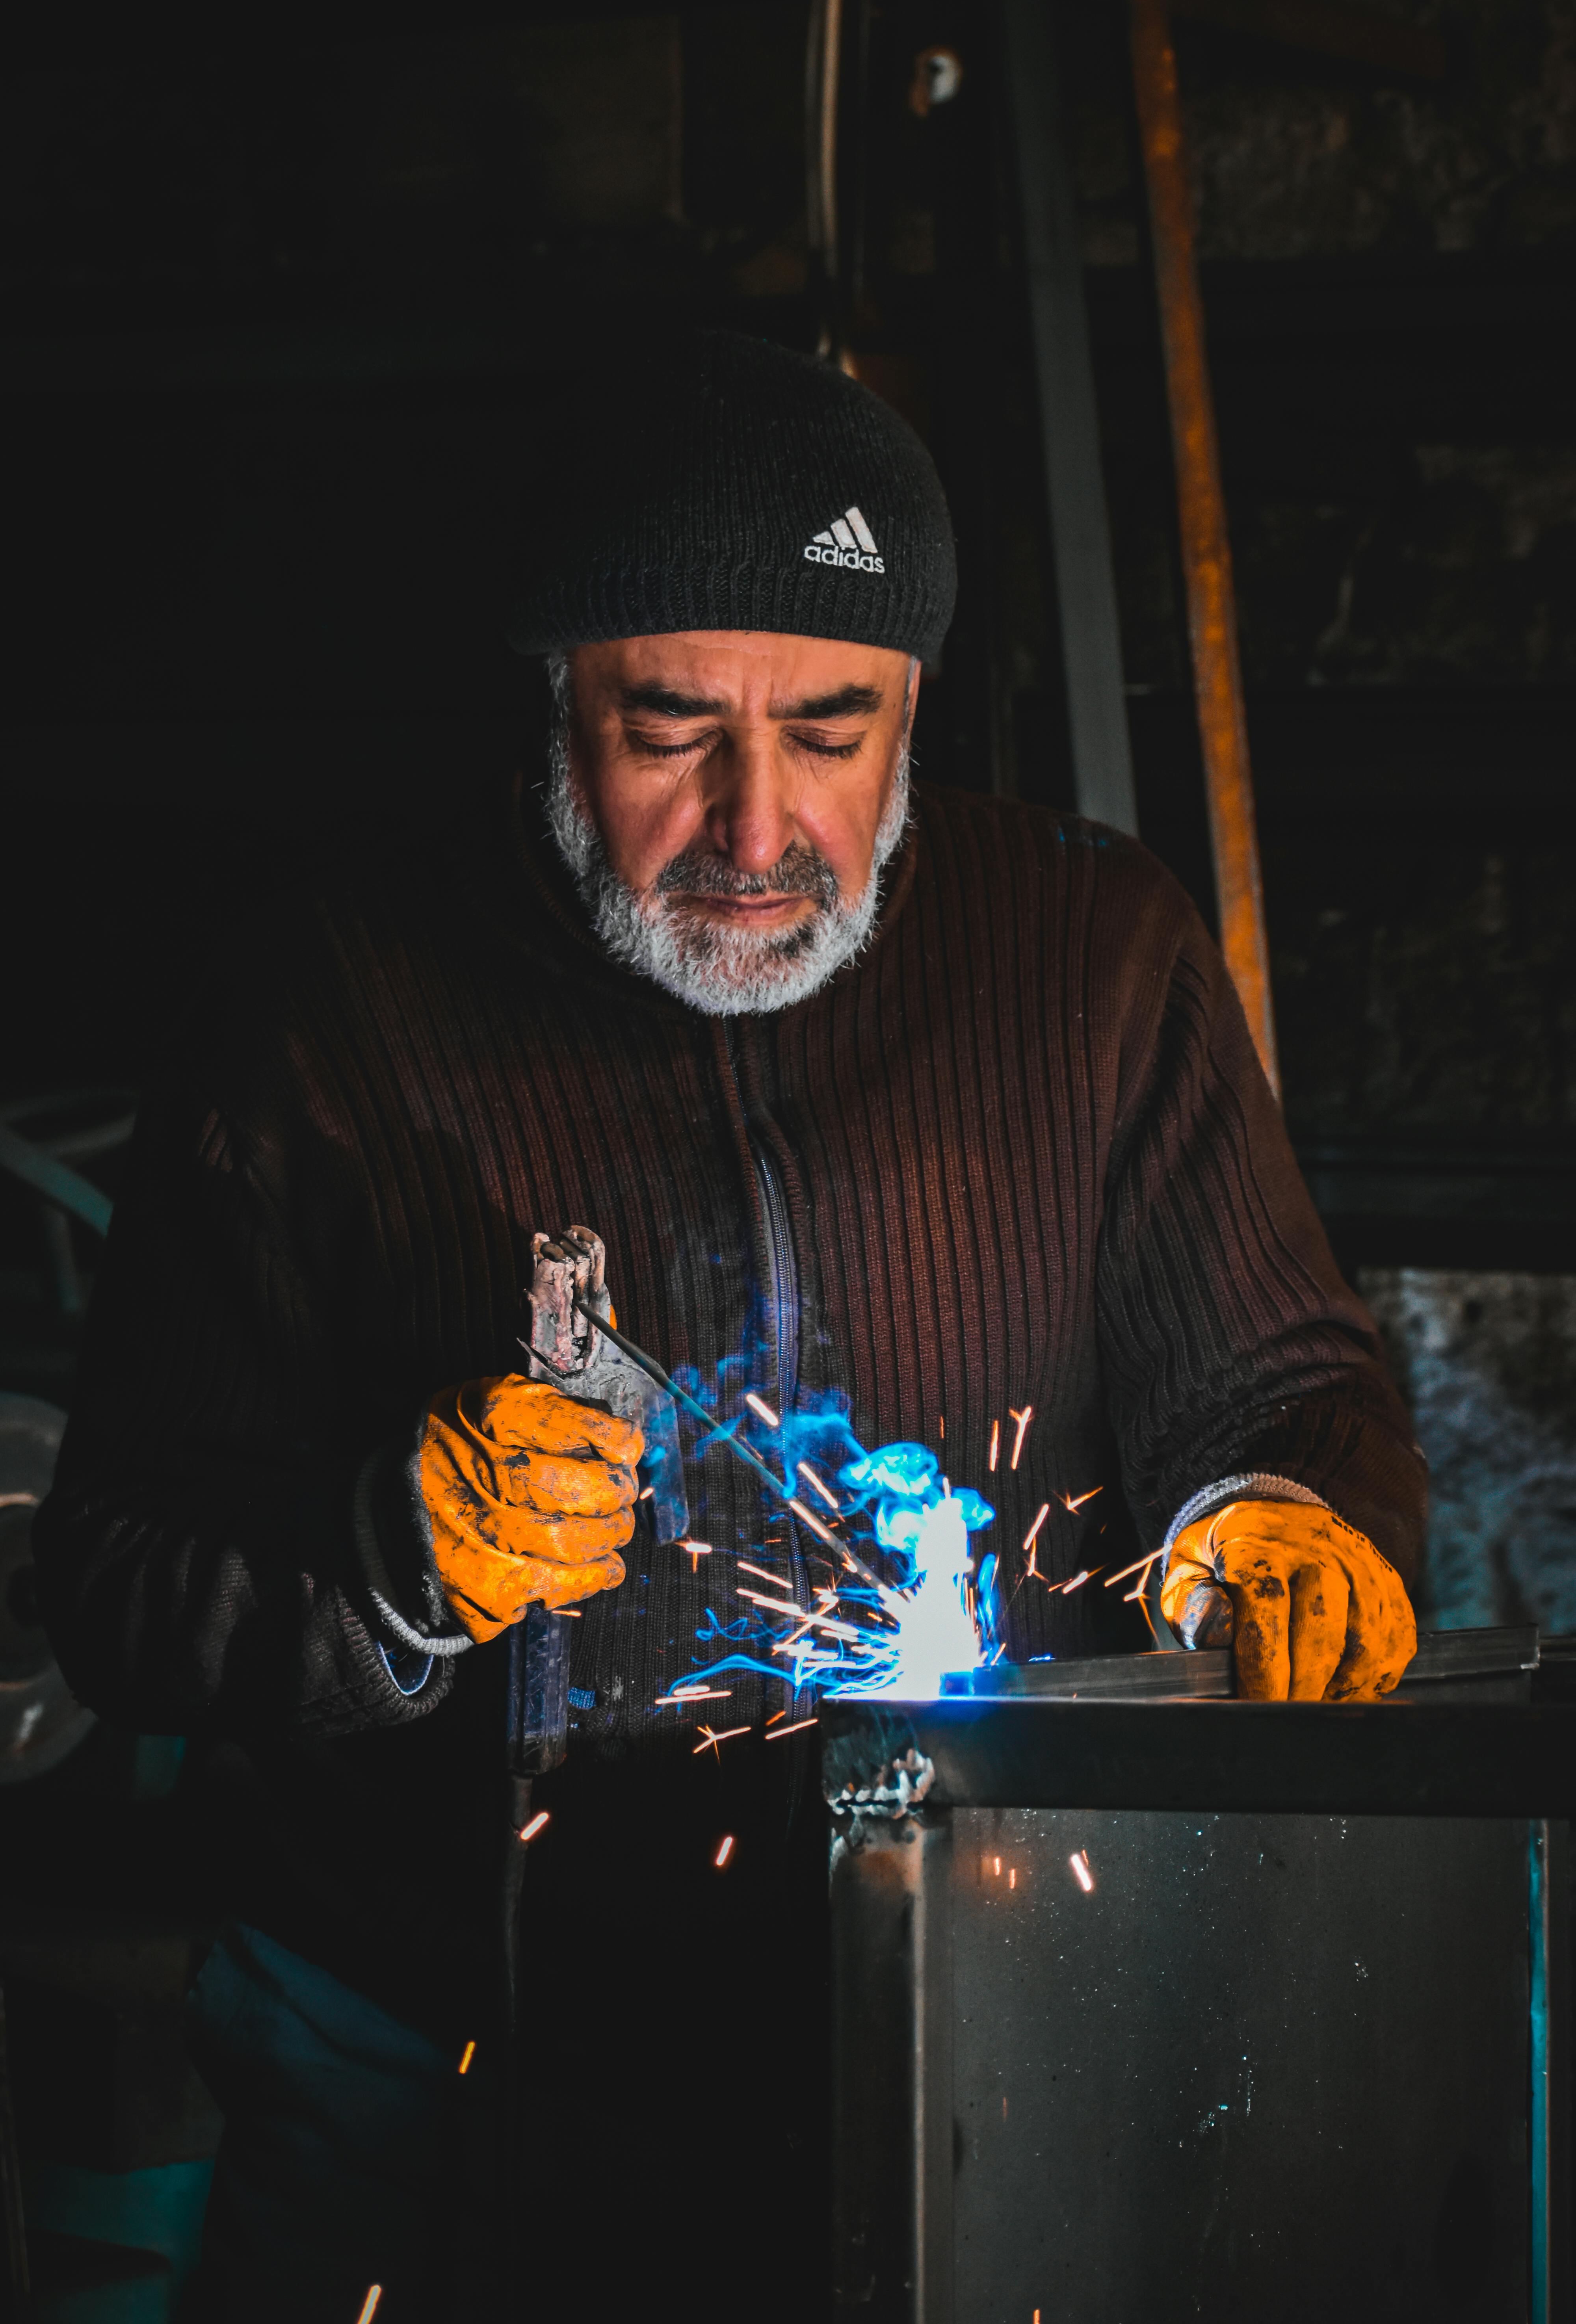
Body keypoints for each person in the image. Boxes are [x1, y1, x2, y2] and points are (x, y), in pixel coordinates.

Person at [34, 332, 1422, 2319]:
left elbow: (1282, 1387)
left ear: (914, 704)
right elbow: (116, 1578)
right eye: (669, 729)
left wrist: (1278, 1511)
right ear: (557, 700)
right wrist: (390, 1566)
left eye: (833, 731)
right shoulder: (327, 1003)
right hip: (425, 2079)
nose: (758, 831)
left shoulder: (1091, 955)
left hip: (990, 2021)